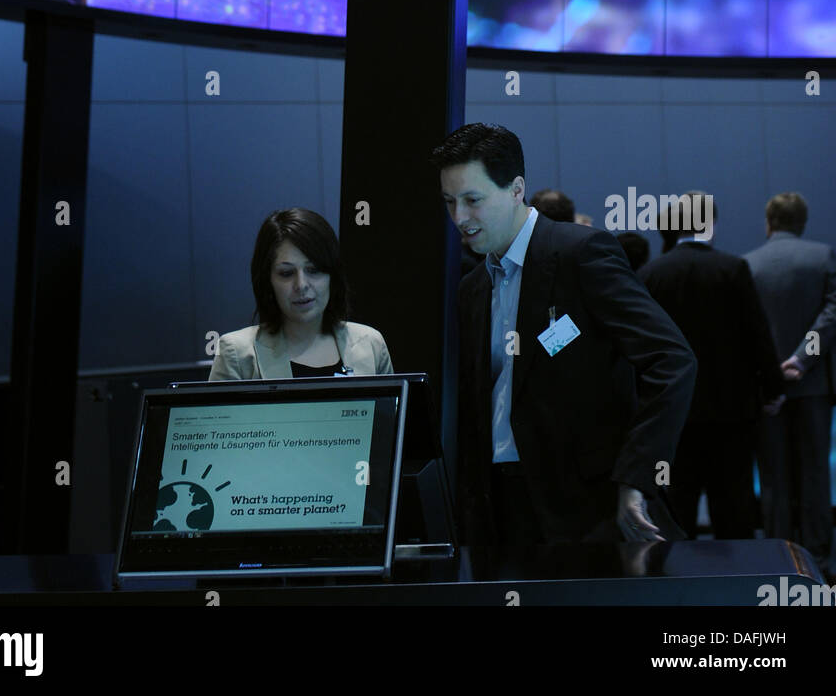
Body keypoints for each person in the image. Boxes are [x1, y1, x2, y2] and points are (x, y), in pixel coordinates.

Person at [431, 123, 696, 548]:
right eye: (449, 202)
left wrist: (637, 476)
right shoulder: (473, 288)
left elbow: (672, 359)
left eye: (472, 200)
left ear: (517, 189)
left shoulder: (581, 254)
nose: (459, 218)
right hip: (501, 512)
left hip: (588, 509)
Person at [640, 193, 784, 539]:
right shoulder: (733, 269)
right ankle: (738, 584)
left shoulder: (651, 274)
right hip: (731, 411)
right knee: (734, 508)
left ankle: (678, 585)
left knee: (677, 506)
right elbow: (757, 335)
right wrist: (774, 387)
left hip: (674, 413)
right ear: (710, 224)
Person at [744, 193, 836, 578]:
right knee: (815, 474)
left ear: (768, 221)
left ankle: (776, 560)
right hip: (811, 386)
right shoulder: (824, 256)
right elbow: (831, 312)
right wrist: (802, 358)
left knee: (774, 477)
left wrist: (773, 370)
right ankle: (820, 561)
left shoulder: (747, 264)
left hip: (768, 391)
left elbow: (748, 329)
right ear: (803, 221)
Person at [209, 208, 393, 379]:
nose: (301, 285)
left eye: (313, 270)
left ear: (332, 275)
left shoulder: (371, 344)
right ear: (268, 281)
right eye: (287, 273)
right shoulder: (236, 353)